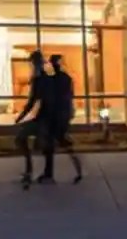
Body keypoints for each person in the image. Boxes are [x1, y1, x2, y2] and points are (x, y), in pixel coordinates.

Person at [39, 55, 83, 184]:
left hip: (58, 115)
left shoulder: (55, 79)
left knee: (59, 143)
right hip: (58, 115)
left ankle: (77, 171)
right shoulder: (62, 78)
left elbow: (56, 97)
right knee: (53, 145)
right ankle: (51, 173)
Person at [14, 50, 49, 187]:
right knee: (30, 140)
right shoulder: (45, 77)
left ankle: (30, 171)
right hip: (45, 116)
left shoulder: (39, 79)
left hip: (43, 118)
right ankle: (36, 170)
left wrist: (21, 117)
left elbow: (32, 101)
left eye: (32, 63)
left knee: (21, 138)